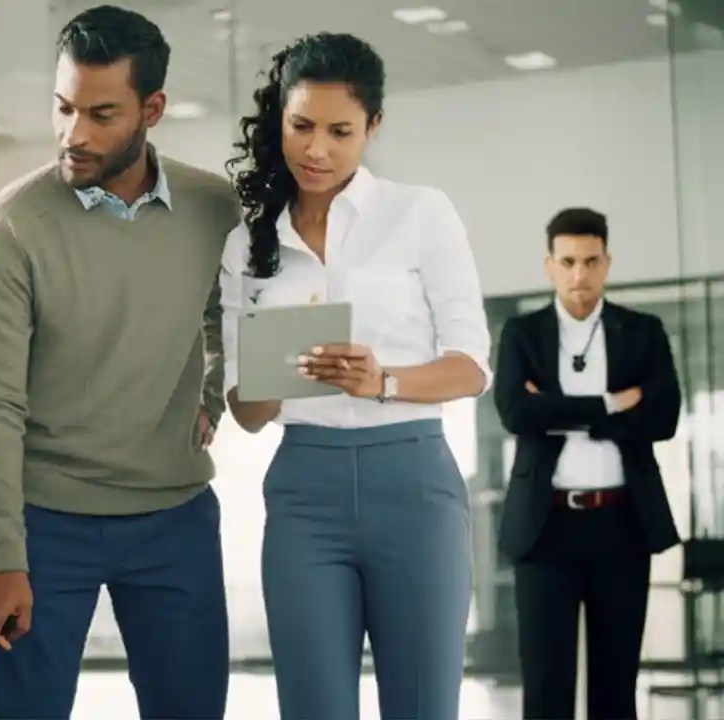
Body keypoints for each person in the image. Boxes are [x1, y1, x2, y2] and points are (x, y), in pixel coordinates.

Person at [0, 5, 241, 719]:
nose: (74, 134)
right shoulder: (10, 227)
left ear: (153, 109)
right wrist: (3, 553)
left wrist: (212, 389)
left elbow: (227, 313)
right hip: (45, 522)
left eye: (101, 114)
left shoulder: (215, 209)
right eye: (63, 107)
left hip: (175, 518)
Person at [220, 32, 492, 720]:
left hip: (415, 485)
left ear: (373, 127)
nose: (317, 149)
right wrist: (274, 373)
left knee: (424, 707)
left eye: (340, 131)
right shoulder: (246, 244)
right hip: (304, 494)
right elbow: (247, 412)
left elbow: (471, 367)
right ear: (279, 117)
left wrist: (384, 381)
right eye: (301, 125)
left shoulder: (420, 213)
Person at [494, 207, 681, 719]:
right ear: (549, 265)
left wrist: (555, 409)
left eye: (591, 261)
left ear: (607, 262)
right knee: (546, 685)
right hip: (545, 526)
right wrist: (611, 403)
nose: (580, 275)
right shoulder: (522, 334)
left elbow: (663, 417)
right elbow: (516, 412)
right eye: (569, 261)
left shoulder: (642, 332)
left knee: (616, 686)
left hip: (621, 524)